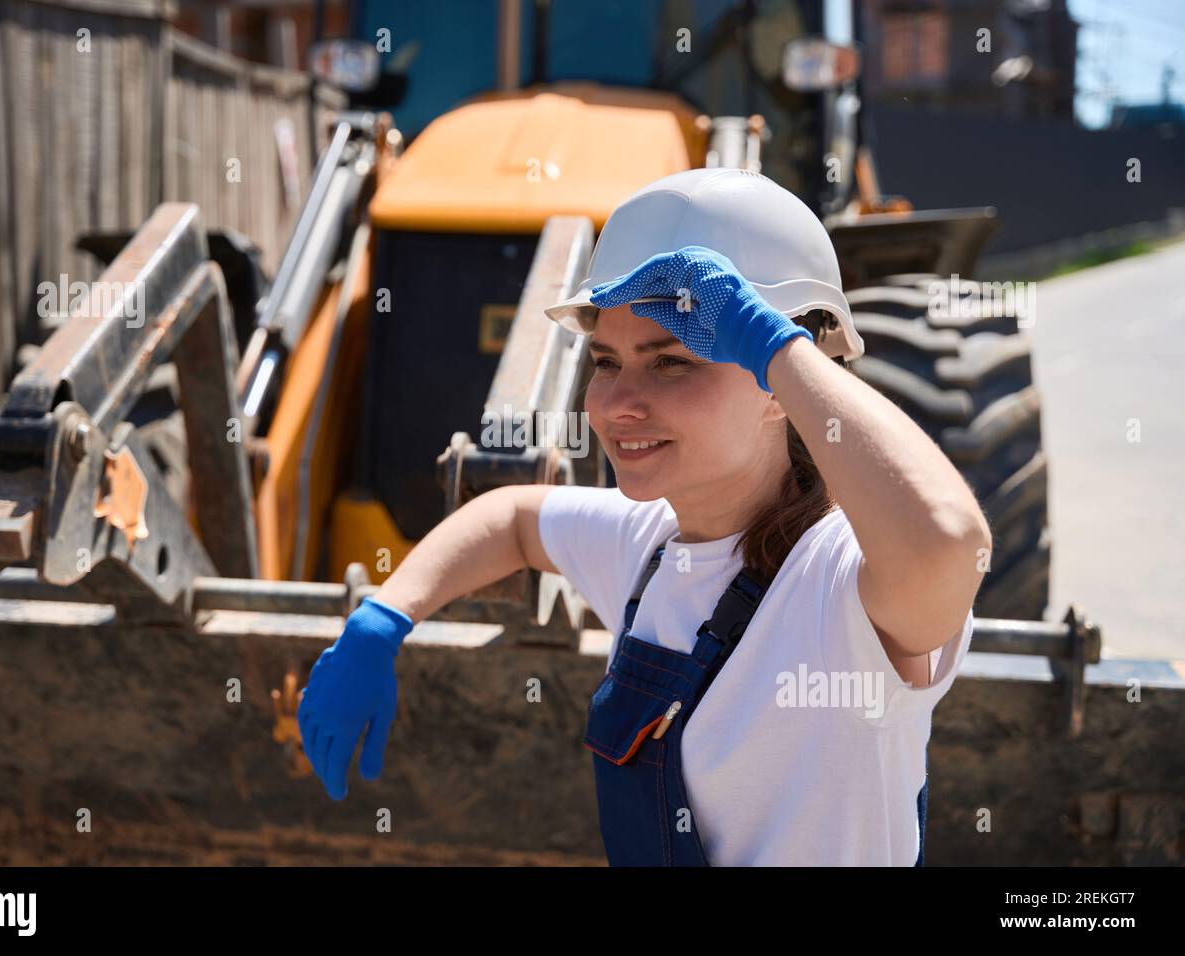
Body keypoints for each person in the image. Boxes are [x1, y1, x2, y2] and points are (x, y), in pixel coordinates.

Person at [297, 168, 989, 866]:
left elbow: (950, 537)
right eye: (605, 361)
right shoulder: (651, 546)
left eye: (672, 365)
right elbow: (510, 517)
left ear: (779, 389)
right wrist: (384, 619)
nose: (616, 404)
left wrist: (771, 344)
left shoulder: (837, 584)